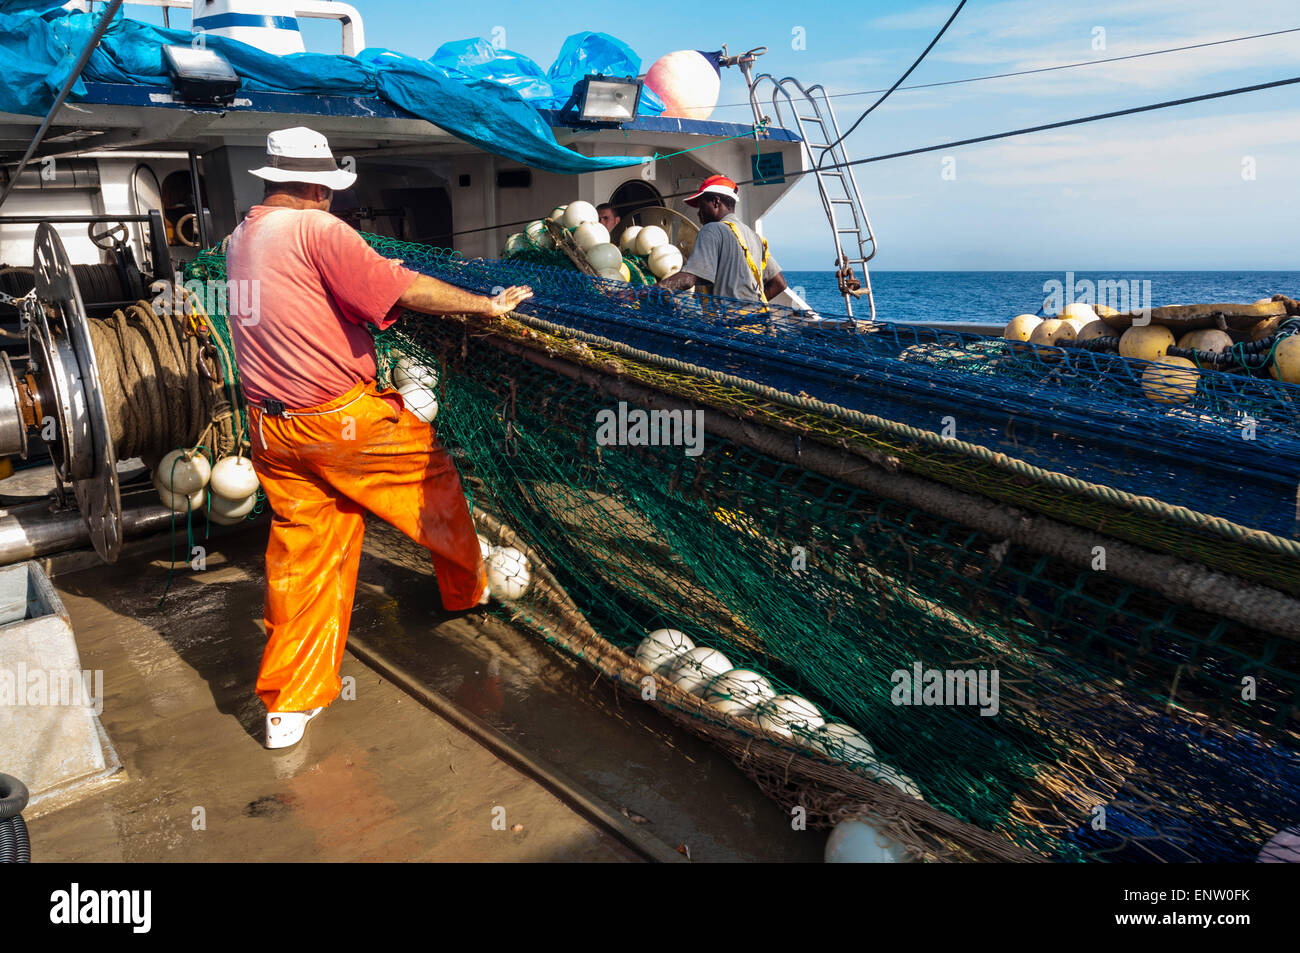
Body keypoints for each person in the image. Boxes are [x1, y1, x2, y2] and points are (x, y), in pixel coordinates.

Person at [224, 127, 532, 749]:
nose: (333, 200)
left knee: (308, 554)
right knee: (433, 477)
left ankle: (287, 708)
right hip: (335, 421)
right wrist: (486, 306)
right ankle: (466, 593)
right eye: (330, 189)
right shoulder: (318, 229)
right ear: (314, 186)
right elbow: (398, 288)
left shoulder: (241, 237)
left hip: (270, 427)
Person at [657, 174, 787, 304]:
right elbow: (779, 283)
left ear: (715, 202)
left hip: (728, 323)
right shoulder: (754, 237)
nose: (698, 213)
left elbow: (688, 279)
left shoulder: (712, 229)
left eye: (701, 206)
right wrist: (749, 307)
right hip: (756, 321)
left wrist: (646, 292)